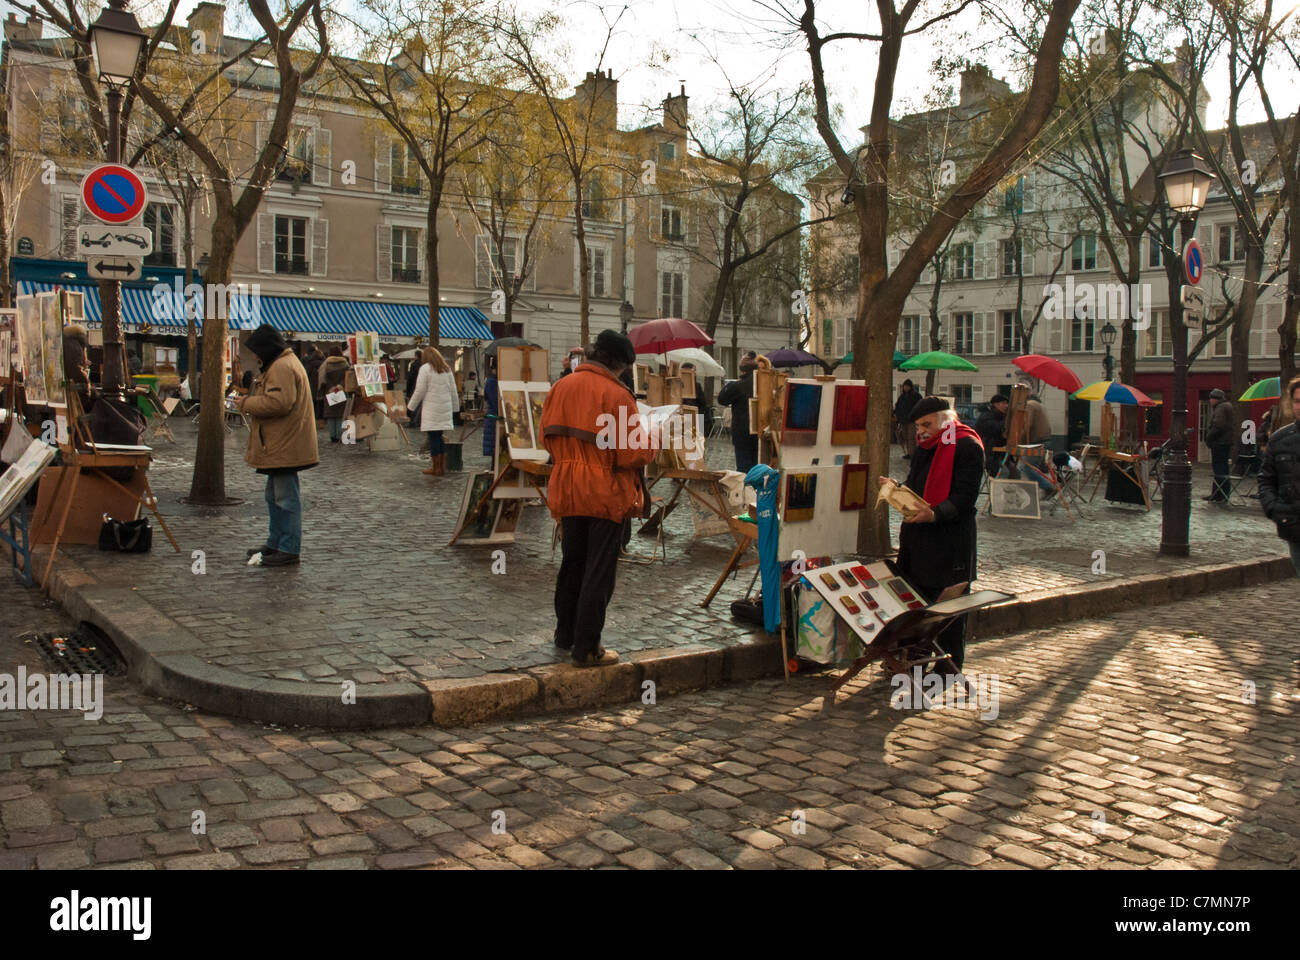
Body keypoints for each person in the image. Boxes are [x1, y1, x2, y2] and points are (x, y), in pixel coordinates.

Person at [541, 330, 657, 667]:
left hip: (567, 484)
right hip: (604, 488)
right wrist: (653, 440)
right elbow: (631, 454)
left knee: (572, 563)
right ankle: (587, 648)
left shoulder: (561, 386)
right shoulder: (617, 395)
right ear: (619, 365)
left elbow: (546, 438)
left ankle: (565, 636)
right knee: (599, 570)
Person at [883, 396, 984, 671]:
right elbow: (919, 486)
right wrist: (896, 488)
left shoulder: (968, 445)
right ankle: (913, 660)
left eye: (926, 424)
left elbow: (965, 496)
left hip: (950, 541)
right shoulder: (925, 447)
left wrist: (935, 513)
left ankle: (947, 668)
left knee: (949, 609)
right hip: (918, 540)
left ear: (945, 420)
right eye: (918, 425)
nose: (921, 431)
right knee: (915, 602)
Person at [235, 324, 319, 567]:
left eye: (256, 351)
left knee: (285, 498)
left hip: (285, 443)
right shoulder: (282, 363)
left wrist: (247, 403)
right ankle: (276, 543)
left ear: (266, 349)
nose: (254, 356)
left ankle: (288, 548)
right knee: (274, 496)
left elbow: (279, 403)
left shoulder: (282, 366)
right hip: (281, 442)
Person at [1259, 376, 1300, 576]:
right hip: (1294, 526)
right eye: (1298, 401)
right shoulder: (1280, 439)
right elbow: (1266, 479)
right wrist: (1274, 509)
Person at [408, 346, 459, 475]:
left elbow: (420, 391)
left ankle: (436, 467)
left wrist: (410, 408)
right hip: (445, 409)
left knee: (433, 438)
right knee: (439, 437)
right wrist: (456, 408)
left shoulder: (425, 369)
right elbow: (453, 390)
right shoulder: (447, 369)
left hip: (432, 409)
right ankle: (442, 466)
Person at [718, 352, 759, 472]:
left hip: (743, 435)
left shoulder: (738, 385)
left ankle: (746, 490)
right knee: (759, 471)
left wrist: (733, 383)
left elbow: (722, 399)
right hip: (760, 435)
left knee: (744, 472)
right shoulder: (763, 382)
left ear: (742, 370)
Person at [1203, 387, 1235, 503]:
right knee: (1223, 469)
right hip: (1224, 442)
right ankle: (1221, 493)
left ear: (1216, 399)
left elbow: (1218, 425)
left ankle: (1218, 494)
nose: (1210, 400)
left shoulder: (1221, 408)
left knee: (1219, 469)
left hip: (1220, 442)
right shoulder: (1227, 406)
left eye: (1211, 398)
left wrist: (1209, 438)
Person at [318, 345, 350, 443]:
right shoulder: (345, 364)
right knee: (340, 414)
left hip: (329, 391)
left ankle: (332, 436)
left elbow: (322, 379)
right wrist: (339, 386)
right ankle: (339, 435)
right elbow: (347, 377)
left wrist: (330, 387)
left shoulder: (326, 364)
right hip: (341, 390)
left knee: (331, 415)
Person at [975, 394, 1009, 476]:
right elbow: (996, 429)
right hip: (989, 453)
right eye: (1004, 403)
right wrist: (1007, 419)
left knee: (1015, 473)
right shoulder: (986, 416)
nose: (1006, 406)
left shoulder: (1000, 415)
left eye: (1007, 403)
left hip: (997, 453)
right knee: (1004, 473)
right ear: (996, 404)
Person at [894, 380, 922, 458]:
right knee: (905, 436)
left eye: (907, 386)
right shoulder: (902, 397)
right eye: (904, 386)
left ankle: (912, 453)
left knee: (911, 437)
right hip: (903, 420)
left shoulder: (916, 396)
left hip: (912, 421)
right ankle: (909, 452)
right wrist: (897, 415)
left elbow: (918, 407)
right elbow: (898, 407)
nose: (905, 388)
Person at [303, 344, 325, 422]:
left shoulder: (309, 363)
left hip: (312, 386)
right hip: (322, 386)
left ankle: (313, 418)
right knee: (321, 403)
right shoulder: (324, 364)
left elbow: (306, 374)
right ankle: (320, 419)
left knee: (313, 403)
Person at [482, 357, 499, 459]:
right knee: (494, 449)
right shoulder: (492, 381)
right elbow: (495, 402)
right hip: (493, 419)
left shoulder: (492, 380)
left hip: (493, 418)